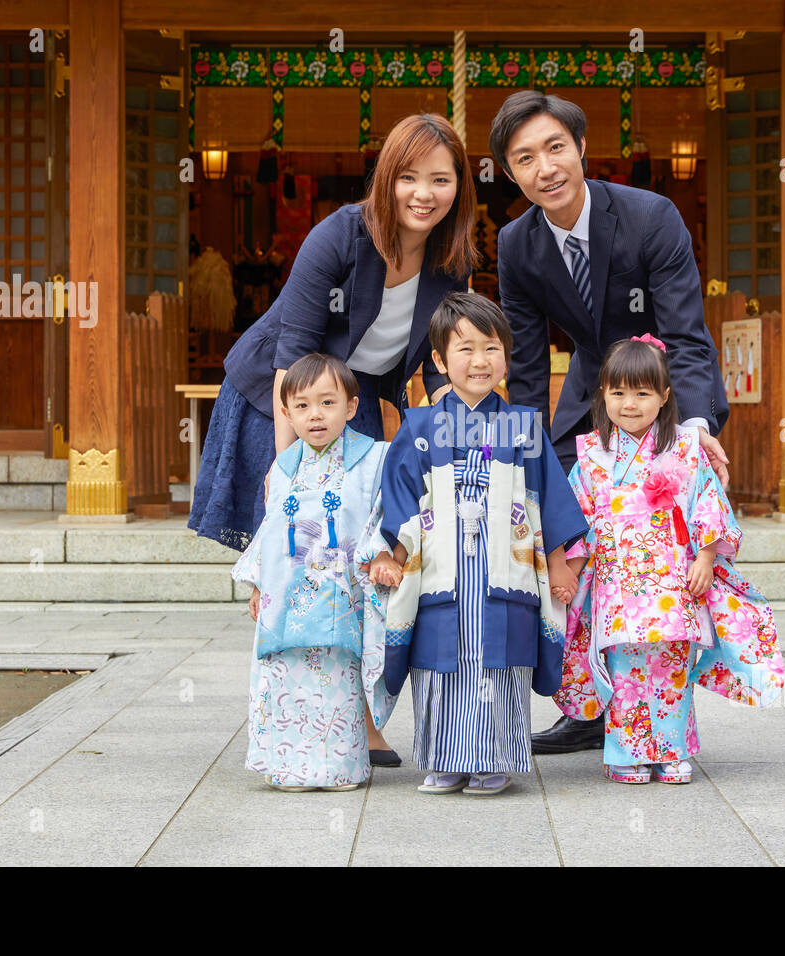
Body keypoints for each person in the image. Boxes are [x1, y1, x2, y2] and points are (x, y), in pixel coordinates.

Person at [191, 112, 481, 766]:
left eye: (441, 179)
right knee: (306, 559)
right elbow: (292, 355)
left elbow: (440, 361)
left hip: (362, 403)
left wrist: (456, 427)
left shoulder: (451, 258)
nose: (423, 193)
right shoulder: (341, 236)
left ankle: (359, 717)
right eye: (409, 176)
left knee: (362, 567)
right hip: (291, 399)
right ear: (387, 177)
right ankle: (295, 714)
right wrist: (292, 469)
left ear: (459, 186)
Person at [488, 89, 732, 754]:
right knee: (570, 537)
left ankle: (661, 704)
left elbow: (684, 332)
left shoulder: (651, 217)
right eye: (525, 158)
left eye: (555, 147)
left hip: (663, 393)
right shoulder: (517, 244)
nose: (545, 168)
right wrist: (525, 457)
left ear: (581, 147)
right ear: (511, 174)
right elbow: (532, 368)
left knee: (657, 549)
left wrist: (695, 428)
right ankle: (590, 703)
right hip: (590, 397)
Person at [367, 292, 588, 796]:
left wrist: (557, 563)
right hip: (439, 563)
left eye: (492, 348)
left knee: (499, 654)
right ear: (440, 361)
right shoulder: (420, 425)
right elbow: (400, 495)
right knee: (440, 657)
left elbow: (544, 498)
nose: (480, 361)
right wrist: (394, 555)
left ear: (506, 357)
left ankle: (494, 758)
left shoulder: (523, 424)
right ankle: (444, 758)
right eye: (464, 349)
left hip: (502, 564)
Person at [553, 335, 784, 783]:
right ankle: (626, 754)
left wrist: (705, 556)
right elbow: (577, 517)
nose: (630, 404)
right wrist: (571, 571)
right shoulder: (591, 455)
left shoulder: (685, 448)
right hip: (617, 580)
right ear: (603, 394)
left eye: (642, 393)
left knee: (670, 666)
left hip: (673, 577)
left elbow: (707, 503)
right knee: (625, 666)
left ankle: (670, 751)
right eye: (618, 392)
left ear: (664, 396)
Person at [232, 354, 397, 792]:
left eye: (327, 402)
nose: (315, 415)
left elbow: (385, 516)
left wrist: (380, 556)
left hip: (343, 592)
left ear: (352, 406)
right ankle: (289, 767)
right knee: (289, 676)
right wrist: (257, 584)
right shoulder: (283, 467)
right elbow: (270, 529)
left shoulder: (375, 457)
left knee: (337, 679)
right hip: (287, 597)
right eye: (302, 406)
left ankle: (340, 767)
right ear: (285, 413)